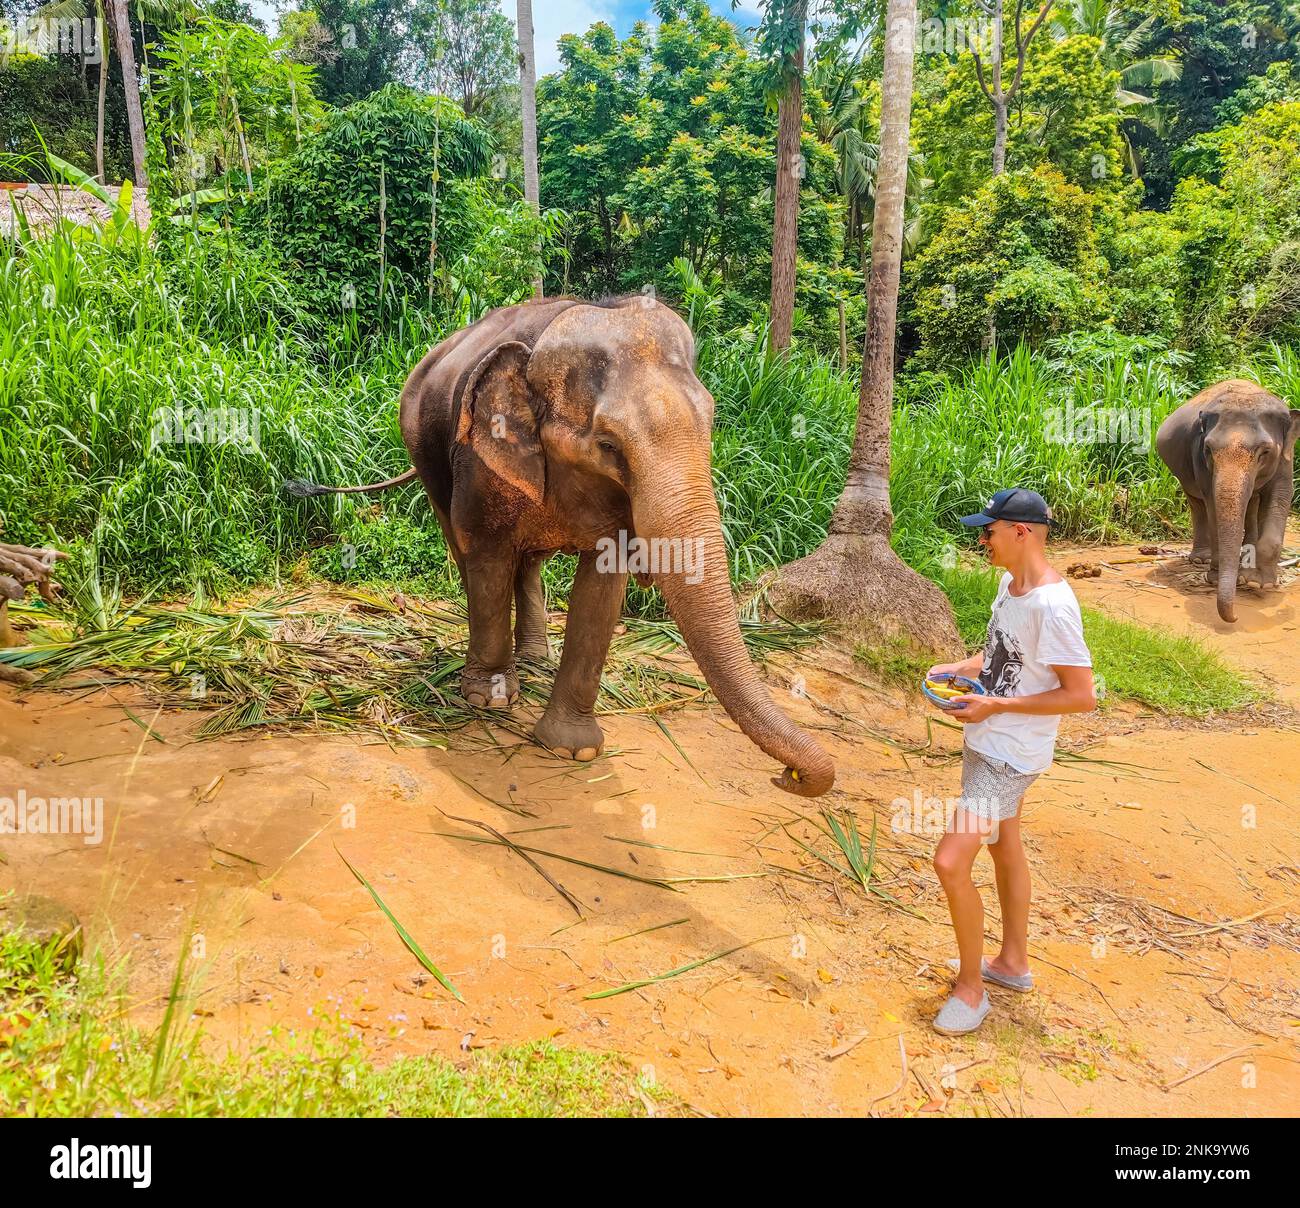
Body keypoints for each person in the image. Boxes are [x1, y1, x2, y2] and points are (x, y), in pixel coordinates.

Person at [927, 488, 1096, 1036]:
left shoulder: (1054, 606)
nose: (983, 540)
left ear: (1021, 532)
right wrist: (960, 667)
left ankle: (972, 992)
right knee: (1006, 847)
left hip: (1009, 756)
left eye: (990, 531)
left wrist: (996, 704)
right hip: (989, 740)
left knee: (950, 861)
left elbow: (1081, 695)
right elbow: (1000, 653)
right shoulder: (1009, 586)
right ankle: (1012, 963)